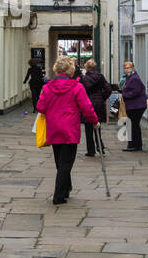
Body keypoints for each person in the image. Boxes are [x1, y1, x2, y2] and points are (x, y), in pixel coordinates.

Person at [37, 56, 99, 204]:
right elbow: (86, 107)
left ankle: (66, 188)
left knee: (60, 161)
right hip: (70, 129)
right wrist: (95, 121)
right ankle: (58, 196)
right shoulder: (77, 87)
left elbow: (40, 107)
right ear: (70, 70)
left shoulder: (47, 87)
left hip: (54, 128)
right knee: (66, 163)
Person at [80, 59, 112, 157]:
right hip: (98, 103)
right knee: (97, 126)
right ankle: (100, 147)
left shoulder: (84, 79)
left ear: (87, 68)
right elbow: (108, 89)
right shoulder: (100, 77)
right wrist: (102, 97)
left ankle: (91, 150)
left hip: (87, 103)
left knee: (88, 128)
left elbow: (82, 91)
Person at [120, 60, 148, 152]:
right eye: (125, 68)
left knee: (132, 125)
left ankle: (133, 145)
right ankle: (136, 145)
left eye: (128, 68)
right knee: (134, 125)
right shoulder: (129, 77)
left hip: (137, 106)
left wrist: (125, 94)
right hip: (134, 105)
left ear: (132, 68)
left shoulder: (134, 78)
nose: (126, 70)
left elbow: (136, 91)